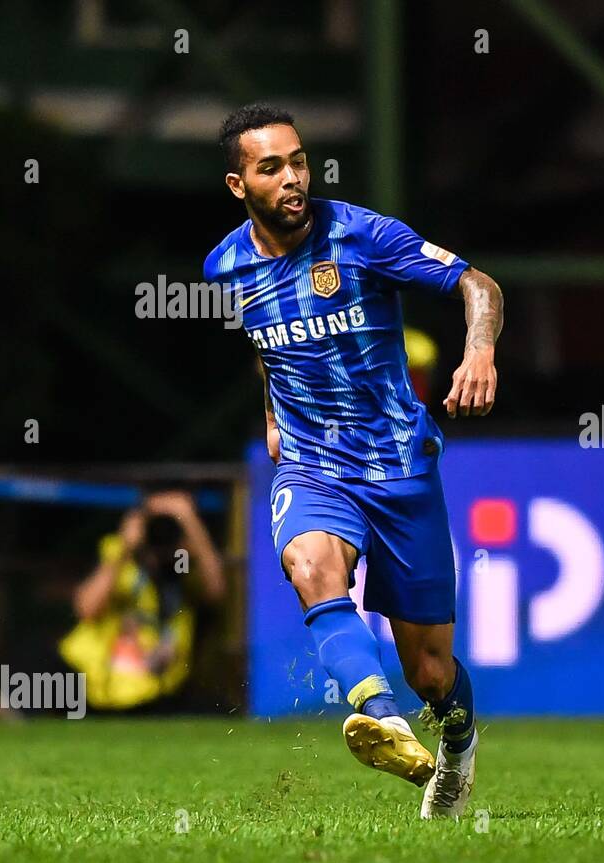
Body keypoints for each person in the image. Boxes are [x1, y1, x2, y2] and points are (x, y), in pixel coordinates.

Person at [204, 104, 504, 818]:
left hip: (400, 467)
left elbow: (478, 285)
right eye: (270, 167)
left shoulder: (363, 236)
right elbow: (267, 343)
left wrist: (482, 348)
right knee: (309, 563)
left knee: (431, 671)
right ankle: (382, 720)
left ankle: (456, 748)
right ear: (237, 184)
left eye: (298, 161)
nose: (292, 178)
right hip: (313, 468)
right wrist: (275, 413)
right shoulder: (226, 265)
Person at [64, 490, 226, 710]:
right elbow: (87, 609)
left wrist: (189, 521)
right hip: (95, 685)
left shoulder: (182, 562)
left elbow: (215, 592)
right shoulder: (121, 556)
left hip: (158, 692)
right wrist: (125, 545)